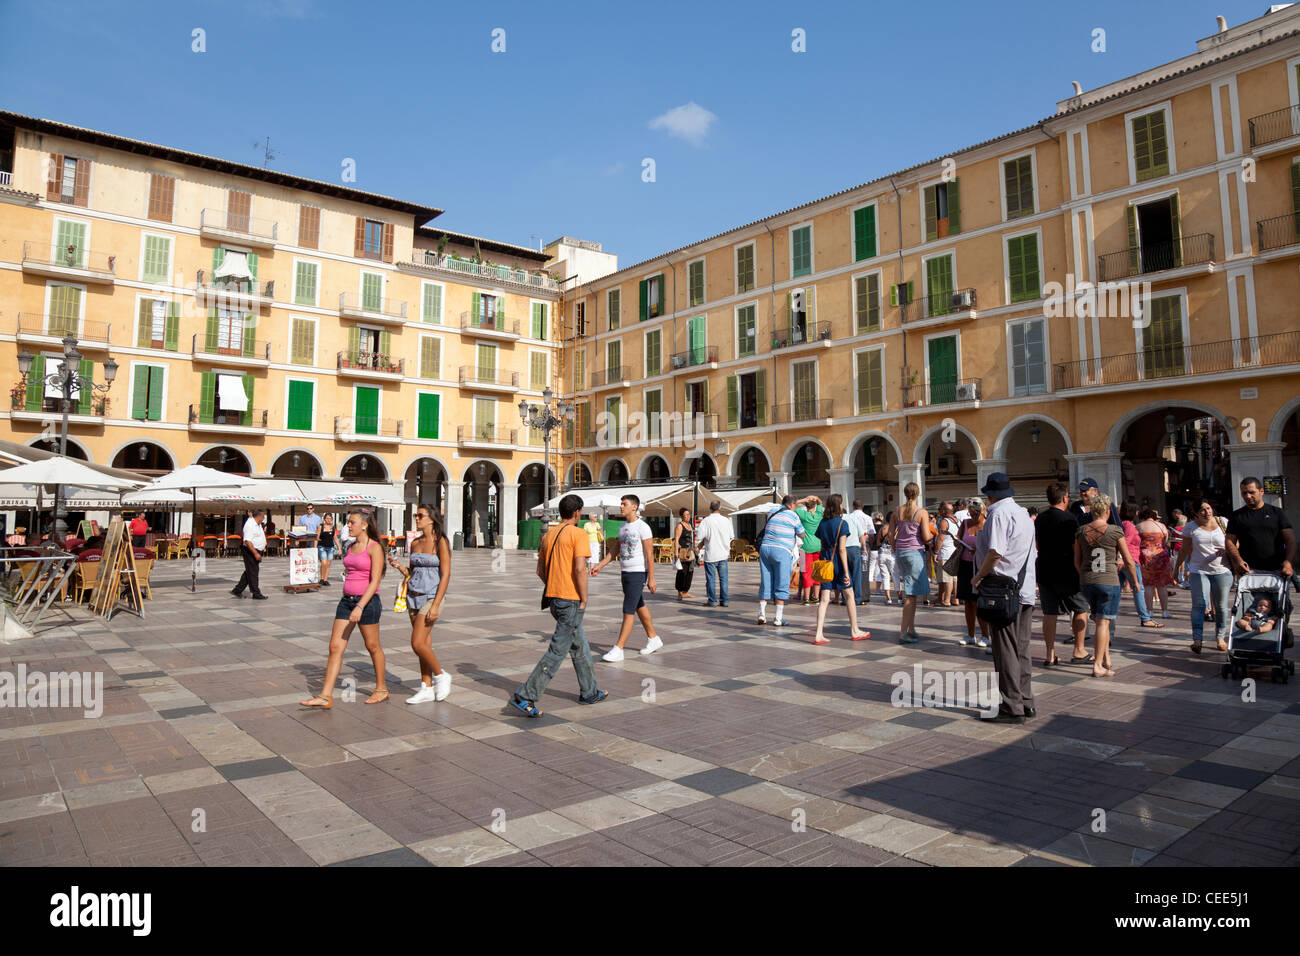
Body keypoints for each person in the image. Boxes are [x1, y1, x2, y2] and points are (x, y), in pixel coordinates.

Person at [509, 494, 605, 717]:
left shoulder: (549, 535)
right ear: (577, 513)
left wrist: (554, 584)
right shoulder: (578, 534)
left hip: (552, 598)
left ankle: (589, 691)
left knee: (579, 645)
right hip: (570, 600)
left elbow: (540, 570)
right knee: (557, 651)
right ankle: (526, 695)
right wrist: (584, 598)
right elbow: (581, 569)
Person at [300, 510, 389, 707]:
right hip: (346, 602)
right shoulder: (350, 545)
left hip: (367, 603)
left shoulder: (374, 548)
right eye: (348, 522)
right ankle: (325, 696)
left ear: (364, 525)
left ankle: (381, 688)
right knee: (335, 647)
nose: (348, 525)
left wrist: (360, 605)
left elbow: (375, 582)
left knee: (372, 646)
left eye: (352, 522)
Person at [970, 473, 1038, 723]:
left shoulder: (998, 514)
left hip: (1003, 590)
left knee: (1005, 649)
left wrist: (978, 575)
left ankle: (1012, 706)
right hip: (1024, 587)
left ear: (989, 495)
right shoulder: (1023, 514)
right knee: (1022, 648)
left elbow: (996, 552)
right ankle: (1026, 700)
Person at [388, 504, 451, 703]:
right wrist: (399, 567)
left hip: (431, 596)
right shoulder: (415, 543)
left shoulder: (440, 541)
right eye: (416, 515)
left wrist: (436, 604)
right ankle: (426, 686)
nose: (416, 518)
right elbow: (412, 572)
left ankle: (441, 675)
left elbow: (446, 574)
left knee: (416, 642)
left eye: (420, 515)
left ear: (431, 518)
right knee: (424, 643)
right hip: (413, 596)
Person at [590, 495, 663, 660]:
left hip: (638, 573)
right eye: (621, 504)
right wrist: (600, 565)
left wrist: (651, 577)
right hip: (626, 572)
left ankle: (619, 648)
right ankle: (653, 638)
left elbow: (649, 553)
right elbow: (615, 549)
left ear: (634, 507)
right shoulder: (623, 527)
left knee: (628, 609)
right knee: (638, 605)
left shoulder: (643, 527)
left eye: (624, 504)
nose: (621, 507)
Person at [1075, 493, 1137, 678]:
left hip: (1087, 580)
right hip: (1108, 580)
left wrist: (1084, 575)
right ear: (1108, 511)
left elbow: (1077, 561)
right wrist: (1135, 582)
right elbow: (1128, 559)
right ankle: (1097, 665)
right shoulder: (1115, 531)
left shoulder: (1081, 531)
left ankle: (1106, 659)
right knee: (1104, 623)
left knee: (1100, 619)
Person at [1036, 482, 1089, 666]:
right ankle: (1079, 650)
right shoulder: (1069, 519)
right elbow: (1076, 546)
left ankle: (1050, 654)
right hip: (1066, 571)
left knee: (1049, 612)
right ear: (1065, 498)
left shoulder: (1040, 518)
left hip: (1044, 569)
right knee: (1081, 608)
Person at [1174, 499, 1231, 653]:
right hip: (1199, 570)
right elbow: (1184, 550)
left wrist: (1227, 549)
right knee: (1199, 604)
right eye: (1202, 511)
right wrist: (1176, 568)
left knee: (1221, 607)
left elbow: (1235, 543)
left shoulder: (1223, 522)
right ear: (1195, 514)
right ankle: (1197, 639)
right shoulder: (1190, 527)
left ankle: (1220, 637)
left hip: (1222, 570)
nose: (1207, 512)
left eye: (1208, 508)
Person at [812, 494, 870, 644]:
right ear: (839, 505)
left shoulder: (823, 523)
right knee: (849, 595)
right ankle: (855, 630)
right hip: (837, 561)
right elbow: (842, 549)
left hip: (825, 561)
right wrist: (846, 572)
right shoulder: (842, 523)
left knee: (824, 599)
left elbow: (822, 542)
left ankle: (818, 634)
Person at [1225, 476, 1296, 582]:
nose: (1248, 496)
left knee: (1277, 599)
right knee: (1256, 599)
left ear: (1261, 491)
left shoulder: (1277, 513)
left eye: (1251, 492)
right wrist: (1238, 561)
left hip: (1277, 569)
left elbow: (1290, 540)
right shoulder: (1237, 516)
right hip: (1249, 571)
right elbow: (1229, 541)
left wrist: (1288, 562)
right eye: (1244, 493)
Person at [891, 482, 933, 644]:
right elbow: (926, 536)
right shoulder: (921, 512)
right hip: (915, 553)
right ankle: (903, 631)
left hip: (901, 552)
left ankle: (911, 627)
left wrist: (896, 549)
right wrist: (934, 537)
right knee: (911, 594)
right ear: (918, 494)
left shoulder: (897, 511)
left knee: (912, 593)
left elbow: (890, 535)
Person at [757, 496, 803, 626]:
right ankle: (778, 618)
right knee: (782, 583)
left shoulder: (772, 511)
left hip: (765, 549)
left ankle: (761, 614)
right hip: (782, 550)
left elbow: (784, 505)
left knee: (766, 581)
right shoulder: (793, 516)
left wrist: (797, 501)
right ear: (792, 505)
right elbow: (802, 533)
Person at [956, 498, 990, 648]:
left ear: (982, 512)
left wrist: (978, 549)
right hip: (965, 564)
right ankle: (970, 635)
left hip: (980, 566)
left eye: (975, 514)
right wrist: (959, 542)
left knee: (979, 601)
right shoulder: (965, 524)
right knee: (968, 601)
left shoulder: (987, 524)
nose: (973, 517)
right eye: (970, 514)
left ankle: (985, 635)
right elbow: (958, 539)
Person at [1136, 507, 1175, 619]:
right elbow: (1166, 540)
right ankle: (1165, 611)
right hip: (1161, 556)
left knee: (1148, 585)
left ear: (1142, 517)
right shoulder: (1162, 526)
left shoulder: (1139, 526)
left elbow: (1136, 541)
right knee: (1162, 585)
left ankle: (1149, 611)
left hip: (1145, 557)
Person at [696, 499, 734, 607]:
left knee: (711, 579)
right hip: (723, 554)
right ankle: (725, 600)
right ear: (720, 508)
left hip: (711, 554)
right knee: (724, 579)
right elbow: (731, 536)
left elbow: (699, 536)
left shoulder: (706, 521)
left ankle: (712, 601)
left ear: (710, 508)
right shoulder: (726, 520)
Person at [231, 509, 268, 600]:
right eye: (263, 516)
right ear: (258, 516)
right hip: (250, 550)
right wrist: (255, 553)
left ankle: (237, 590)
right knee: (253, 572)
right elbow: (247, 541)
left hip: (257, 550)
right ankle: (256, 593)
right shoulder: (250, 525)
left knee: (250, 571)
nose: (263, 518)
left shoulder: (257, 524)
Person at [795, 496, 824, 604]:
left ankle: (806, 598)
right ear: (815, 506)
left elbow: (794, 504)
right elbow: (821, 504)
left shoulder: (803, 515)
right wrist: (816, 498)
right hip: (818, 547)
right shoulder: (818, 515)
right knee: (817, 572)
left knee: (805, 573)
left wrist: (804, 499)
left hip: (804, 548)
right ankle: (815, 597)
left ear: (806, 505)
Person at [848, 500, 876, 605]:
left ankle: (852, 595)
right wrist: (870, 545)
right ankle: (864, 595)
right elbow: (871, 534)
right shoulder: (867, 518)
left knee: (851, 570)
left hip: (852, 545)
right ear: (863, 507)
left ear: (853, 506)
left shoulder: (849, 517)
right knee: (864, 571)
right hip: (864, 547)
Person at [934, 501, 959, 607]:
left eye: (940, 510)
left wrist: (935, 552)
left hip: (945, 553)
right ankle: (955, 599)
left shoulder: (944, 522)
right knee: (954, 578)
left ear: (944, 511)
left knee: (947, 578)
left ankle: (947, 600)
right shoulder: (957, 520)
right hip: (955, 552)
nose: (939, 512)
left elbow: (941, 538)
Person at [874, 510, 899, 605]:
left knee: (885, 577)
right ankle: (900, 597)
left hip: (881, 554)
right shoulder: (896, 529)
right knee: (895, 576)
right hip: (892, 555)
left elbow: (877, 543)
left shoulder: (882, 529)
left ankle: (888, 599)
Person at [672, 507, 697, 600]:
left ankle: (686, 591)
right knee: (682, 571)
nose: (688, 516)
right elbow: (676, 540)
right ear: (681, 516)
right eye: (686, 515)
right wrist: (676, 554)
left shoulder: (690, 525)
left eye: (689, 514)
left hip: (690, 552)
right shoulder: (680, 526)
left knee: (690, 571)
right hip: (682, 551)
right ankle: (679, 592)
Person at [317, 513, 337, 586]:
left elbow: (335, 538)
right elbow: (317, 537)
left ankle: (325, 579)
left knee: (328, 564)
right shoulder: (321, 526)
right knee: (324, 563)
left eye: (330, 518)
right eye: (327, 518)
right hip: (322, 546)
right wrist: (315, 547)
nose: (328, 520)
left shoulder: (333, 527)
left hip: (330, 547)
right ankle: (322, 578)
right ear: (324, 519)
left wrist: (339, 548)